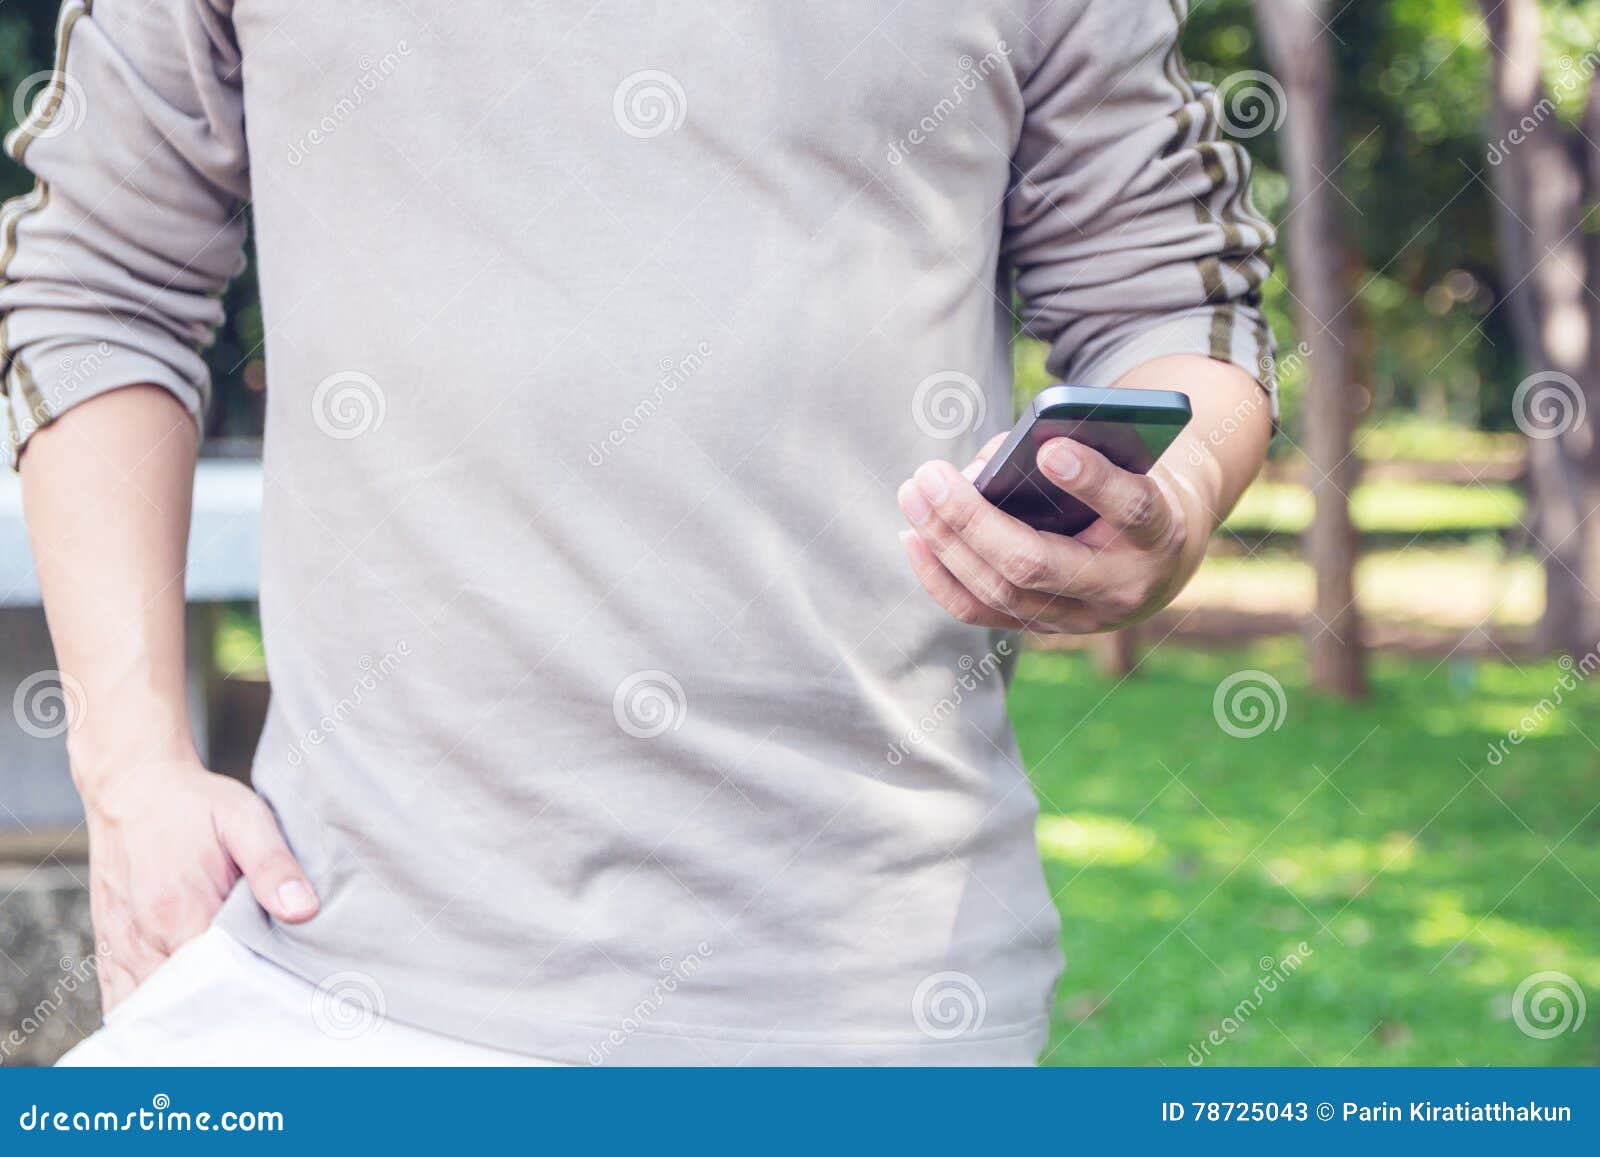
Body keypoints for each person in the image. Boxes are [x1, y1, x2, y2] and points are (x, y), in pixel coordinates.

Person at [4, 0, 1273, 1065]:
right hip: (327, 977)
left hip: (869, 1004)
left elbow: (1170, 291)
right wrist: (128, 775)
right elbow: (96, 277)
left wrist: (1176, 497)